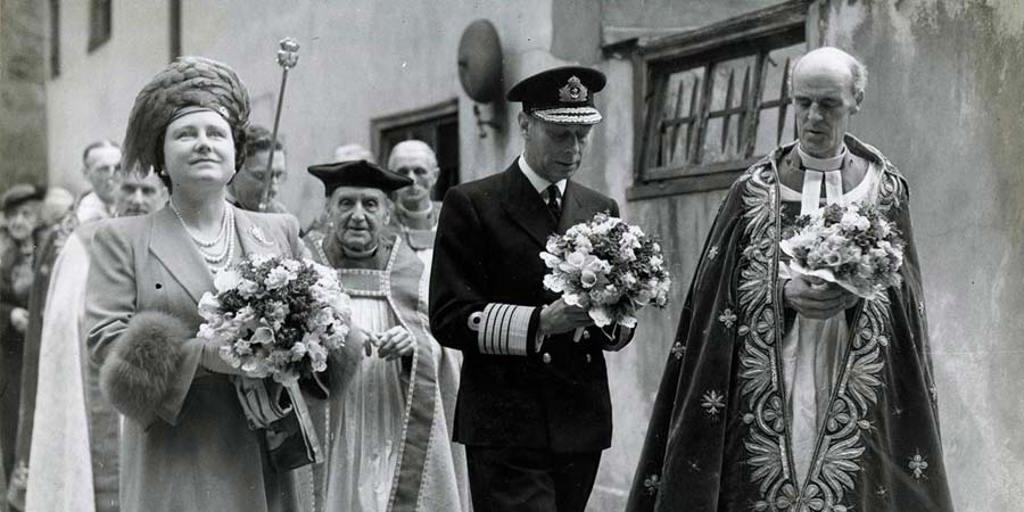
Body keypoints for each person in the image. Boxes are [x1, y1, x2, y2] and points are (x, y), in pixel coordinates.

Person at [625, 47, 953, 512]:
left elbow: (904, 304)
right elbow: (715, 300)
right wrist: (781, 294)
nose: (813, 117)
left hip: (854, 372)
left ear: (855, 101)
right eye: (802, 103)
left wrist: (857, 291)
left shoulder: (884, 190)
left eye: (829, 105)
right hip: (770, 376)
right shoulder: (754, 189)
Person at [84, 56, 308, 511]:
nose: (203, 144)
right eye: (186, 134)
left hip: (270, 451)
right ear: (161, 156)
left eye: (216, 134)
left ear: (236, 154)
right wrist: (204, 356)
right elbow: (106, 344)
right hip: (180, 451)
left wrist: (313, 341)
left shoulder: (280, 229)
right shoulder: (121, 238)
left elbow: (323, 328)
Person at [429, 65, 635, 512]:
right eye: (560, 134)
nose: (574, 148)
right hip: (506, 423)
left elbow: (620, 317)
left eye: (582, 135)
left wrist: (613, 315)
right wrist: (540, 322)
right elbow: (447, 316)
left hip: (579, 418)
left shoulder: (600, 207)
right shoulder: (473, 204)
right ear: (525, 124)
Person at [304, 160, 470, 512]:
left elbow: (447, 343)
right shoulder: (305, 265)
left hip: (393, 416)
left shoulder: (412, 269)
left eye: (370, 204)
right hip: (330, 416)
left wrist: (415, 345)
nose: (358, 215)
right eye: (346, 203)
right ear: (328, 210)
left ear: (387, 214)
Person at [25, 169, 168, 512]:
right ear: (113, 190)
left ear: (163, 194)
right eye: (128, 188)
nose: (136, 198)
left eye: (146, 190)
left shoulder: (175, 242)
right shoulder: (85, 244)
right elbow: (63, 329)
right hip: (98, 399)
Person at [0, 185, 45, 486]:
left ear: (37, 217)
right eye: (13, 215)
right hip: (10, 356)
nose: (19, 221)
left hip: (44, 349)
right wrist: (9, 315)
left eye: (26, 214)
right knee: (15, 421)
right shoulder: (1, 255)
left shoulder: (49, 250)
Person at [387, 140, 441, 264]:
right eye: (402, 172)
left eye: (419, 171)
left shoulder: (452, 219)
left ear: (435, 176)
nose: (411, 179)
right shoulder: (380, 223)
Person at [226, 124, 289, 213]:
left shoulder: (279, 214)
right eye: (261, 176)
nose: (274, 189)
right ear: (235, 169)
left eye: (278, 176)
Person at [74, 142, 123, 224]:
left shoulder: (138, 204)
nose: (112, 175)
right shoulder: (83, 215)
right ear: (86, 174)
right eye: (104, 169)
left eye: (118, 168)